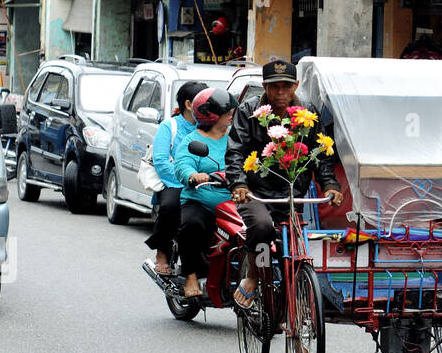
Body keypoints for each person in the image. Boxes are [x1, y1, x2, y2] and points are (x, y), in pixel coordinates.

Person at [225, 58, 342, 309]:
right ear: (265, 86)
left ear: (296, 86)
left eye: (286, 87)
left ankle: (298, 321)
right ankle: (254, 275)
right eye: (274, 86)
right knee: (263, 228)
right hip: (256, 195)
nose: (281, 92)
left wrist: (330, 185)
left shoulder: (308, 113)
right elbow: (235, 152)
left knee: (298, 256)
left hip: (292, 195)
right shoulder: (249, 111)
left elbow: (320, 156)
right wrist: (239, 185)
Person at [175, 88, 238, 299]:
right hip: (200, 202)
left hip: (234, 202)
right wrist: (194, 175)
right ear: (210, 114)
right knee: (191, 225)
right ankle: (190, 274)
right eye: (226, 110)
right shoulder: (192, 140)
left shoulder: (236, 138)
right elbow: (183, 165)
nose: (231, 113)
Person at [144, 81, 207, 274]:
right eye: (204, 103)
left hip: (206, 183)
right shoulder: (169, 126)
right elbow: (162, 161)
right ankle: (162, 251)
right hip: (175, 182)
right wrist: (187, 179)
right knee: (171, 206)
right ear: (189, 104)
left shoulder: (209, 127)